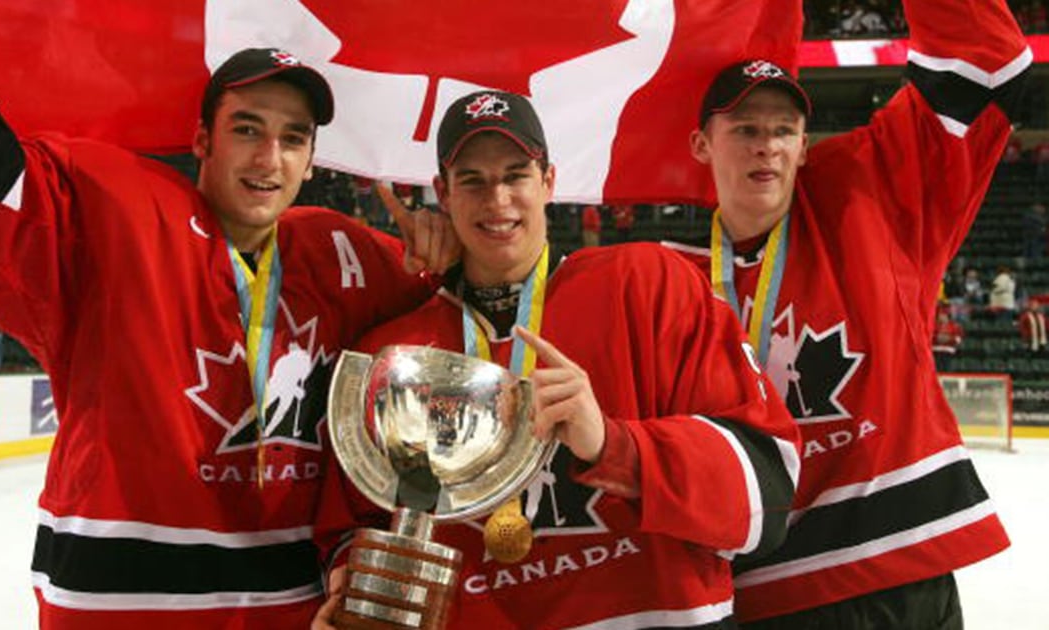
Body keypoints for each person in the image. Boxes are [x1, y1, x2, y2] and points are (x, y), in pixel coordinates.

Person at [0, 0, 458, 627]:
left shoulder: (340, 253)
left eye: (293, 139)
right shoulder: (115, 215)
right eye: (247, 129)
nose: (269, 158)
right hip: (122, 608)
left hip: (292, 613)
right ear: (202, 140)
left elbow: (463, 322)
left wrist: (447, 249)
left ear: (310, 160)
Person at [313, 90, 801, 629]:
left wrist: (614, 445)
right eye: (472, 180)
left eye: (516, 175)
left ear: (548, 182)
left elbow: (768, 494)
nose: (497, 199)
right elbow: (350, 534)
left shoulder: (646, 284)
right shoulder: (400, 353)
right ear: (443, 195)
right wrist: (362, 594)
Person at [671, 1, 1026, 626]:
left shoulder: (869, 202)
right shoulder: (667, 276)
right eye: (746, 130)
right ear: (701, 145)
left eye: (783, 131)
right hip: (758, 591)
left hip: (895, 571)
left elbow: (982, 64)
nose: (767, 148)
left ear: (806, 147)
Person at [932, 307, 964, 371]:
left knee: (947, 370)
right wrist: (936, 337)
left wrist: (949, 339)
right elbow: (928, 338)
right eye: (940, 315)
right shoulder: (933, 325)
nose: (941, 317)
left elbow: (959, 339)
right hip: (935, 351)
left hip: (949, 352)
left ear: (947, 316)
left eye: (943, 315)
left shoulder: (955, 326)